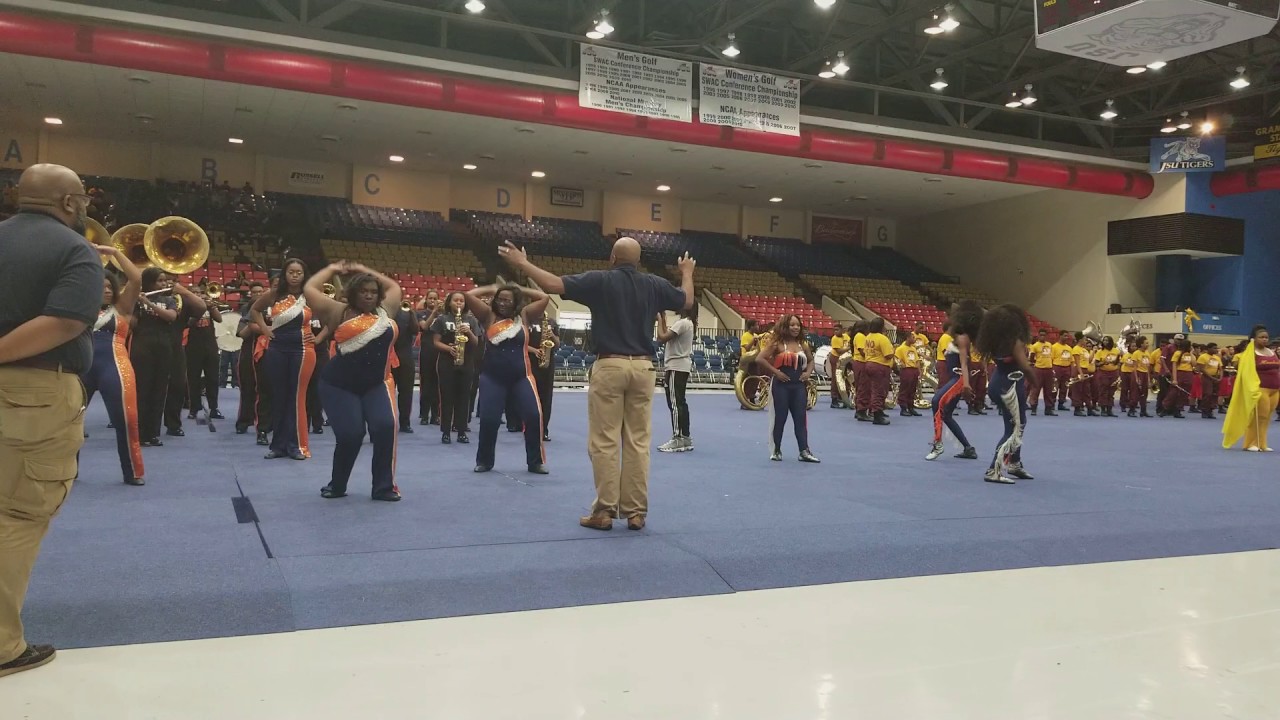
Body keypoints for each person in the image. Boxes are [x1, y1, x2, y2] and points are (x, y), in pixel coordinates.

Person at [499, 237, 693, 532]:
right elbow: (686, 300)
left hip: (610, 364)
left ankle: (604, 511)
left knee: (605, 441)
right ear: (638, 261)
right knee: (638, 442)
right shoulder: (653, 284)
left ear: (612, 258)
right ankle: (636, 512)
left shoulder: (600, 280)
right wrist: (687, 273)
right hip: (643, 367)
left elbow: (552, 285)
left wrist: (523, 263)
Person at [0, 163, 103, 678]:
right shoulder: (74, 249)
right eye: (82, 199)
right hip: (33, 394)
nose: (85, 207)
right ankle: (2, 646)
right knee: (18, 515)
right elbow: (64, 320)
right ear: (68, 203)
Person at [303, 262, 404, 501]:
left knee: (385, 427)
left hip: (376, 384)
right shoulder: (337, 311)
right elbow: (309, 288)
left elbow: (393, 286)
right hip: (339, 386)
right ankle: (337, 485)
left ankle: (383, 487)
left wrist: (362, 267)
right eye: (363, 291)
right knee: (351, 435)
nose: (369, 295)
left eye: (373, 292)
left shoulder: (386, 309)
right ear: (353, 293)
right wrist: (332, 269)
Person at [465, 283, 551, 474]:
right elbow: (469, 295)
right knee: (489, 419)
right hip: (492, 378)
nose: (502, 303)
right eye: (499, 299)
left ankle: (535, 461)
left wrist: (518, 289)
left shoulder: (525, 316)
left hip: (522, 377)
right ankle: (485, 461)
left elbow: (543, 297)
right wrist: (493, 288)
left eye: (507, 300)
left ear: (516, 303)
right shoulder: (489, 316)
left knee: (534, 416)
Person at [83, 252, 145, 486]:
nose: (107, 290)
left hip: (115, 368)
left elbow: (136, 279)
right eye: (102, 286)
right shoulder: (79, 306)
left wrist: (114, 253)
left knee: (126, 421)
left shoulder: (122, 308)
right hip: (82, 368)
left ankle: (133, 472)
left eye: (110, 286)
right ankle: (68, 470)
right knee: (69, 421)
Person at [250, 258, 315, 460]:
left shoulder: (310, 296)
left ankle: (295, 445)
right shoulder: (275, 294)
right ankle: (277, 445)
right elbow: (254, 310)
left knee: (295, 398)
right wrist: (264, 329)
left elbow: (332, 316)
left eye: (299, 272)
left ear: (304, 275)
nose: (295, 276)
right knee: (279, 396)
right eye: (291, 272)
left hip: (301, 350)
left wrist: (320, 336)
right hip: (277, 349)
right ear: (284, 274)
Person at [974, 304, 1035, 484]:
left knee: (1019, 423)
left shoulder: (996, 340)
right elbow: (1024, 365)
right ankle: (994, 468)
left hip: (1004, 382)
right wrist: (1034, 379)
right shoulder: (1014, 341)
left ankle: (1014, 462)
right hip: (1009, 385)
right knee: (1013, 428)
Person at [757, 314, 821, 462]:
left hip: (798, 386)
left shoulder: (802, 344)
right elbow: (759, 358)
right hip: (781, 387)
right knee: (780, 418)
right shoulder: (777, 344)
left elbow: (811, 361)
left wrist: (808, 372)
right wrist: (776, 372)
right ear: (785, 326)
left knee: (800, 419)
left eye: (798, 325)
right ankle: (776, 449)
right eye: (792, 325)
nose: (795, 328)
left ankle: (804, 451)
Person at [927, 301, 982, 462]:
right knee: (946, 415)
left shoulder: (962, 338)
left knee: (936, 402)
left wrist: (965, 384)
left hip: (958, 379)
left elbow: (964, 363)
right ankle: (968, 448)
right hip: (955, 378)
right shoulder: (955, 337)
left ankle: (938, 444)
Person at [430, 290, 479, 444]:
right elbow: (436, 342)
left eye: (462, 301)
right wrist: (448, 349)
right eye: (455, 300)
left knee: (464, 398)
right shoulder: (442, 319)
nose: (459, 303)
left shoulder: (471, 320)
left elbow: (476, 342)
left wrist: (469, 332)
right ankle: (445, 431)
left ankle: (462, 431)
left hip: (466, 362)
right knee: (446, 397)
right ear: (449, 302)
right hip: (446, 362)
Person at [1223, 326, 1278, 452]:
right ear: (1254, 339)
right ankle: (1250, 443)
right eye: (1261, 337)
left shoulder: (1271, 352)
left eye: (1266, 337)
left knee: (1267, 417)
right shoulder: (1250, 353)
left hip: (1274, 389)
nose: (1264, 340)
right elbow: (1245, 371)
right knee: (1259, 416)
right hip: (1260, 388)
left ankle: (1262, 443)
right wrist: (1251, 388)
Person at [234, 282, 272, 439]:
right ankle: (244, 421)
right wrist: (253, 324)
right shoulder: (247, 309)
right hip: (250, 351)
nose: (258, 294)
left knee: (266, 390)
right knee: (248, 388)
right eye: (255, 292)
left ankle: (266, 422)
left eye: (261, 291)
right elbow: (241, 334)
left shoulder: (272, 307)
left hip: (269, 351)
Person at [656, 304, 696, 452]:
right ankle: (685, 437)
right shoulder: (688, 323)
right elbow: (667, 335)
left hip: (675, 367)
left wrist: (659, 319)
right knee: (680, 402)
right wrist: (664, 319)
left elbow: (661, 337)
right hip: (681, 366)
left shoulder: (682, 323)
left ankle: (678, 438)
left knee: (675, 403)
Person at [184, 288, 224, 421]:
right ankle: (193, 408)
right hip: (193, 347)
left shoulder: (208, 306)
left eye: (200, 293)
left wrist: (212, 308)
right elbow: (188, 324)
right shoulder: (187, 307)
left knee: (212, 378)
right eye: (194, 293)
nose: (198, 295)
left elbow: (219, 319)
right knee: (193, 378)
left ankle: (214, 408)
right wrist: (199, 310)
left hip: (210, 346)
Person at [526, 313, 558, 442]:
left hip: (548, 363)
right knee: (532, 398)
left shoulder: (551, 321)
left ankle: (544, 430)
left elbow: (558, 344)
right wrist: (534, 350)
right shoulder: (527, 319)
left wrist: (552, 336)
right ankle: (530, 429)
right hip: (531, 362)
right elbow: (521, 343)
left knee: (546, 399)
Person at [392, 298, 419, 433]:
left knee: (406, 392)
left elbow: (415, 330)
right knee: (388, 393)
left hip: (406, 357)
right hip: (390, 357)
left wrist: (412, 313)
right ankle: (388, 422)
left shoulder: (407, 312)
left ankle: (405, 423)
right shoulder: (387, 312)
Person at [860, 318, 893, 425]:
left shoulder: (868, 337)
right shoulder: (882, 338)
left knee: (874, 389)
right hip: (880, 366)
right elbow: (888, 355)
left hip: (869, 364)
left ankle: (878, 411)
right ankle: (877, 415)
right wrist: (894, 351)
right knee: (879, 391)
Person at [416, 290, 442, 426]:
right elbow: (425, 326)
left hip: (439, 352)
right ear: (426, 300)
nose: (432, 300)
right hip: (426, 352)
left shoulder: (443, 316)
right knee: (426, 384)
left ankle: (436, 415)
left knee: (438, 385)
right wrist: (434, 312)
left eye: (435, 298)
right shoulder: (420, 313)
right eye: (430, 298)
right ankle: (424, 415)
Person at [1027, 328, 1056, 416]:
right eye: (1041, 335)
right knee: (1036, 389)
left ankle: (1048, 408)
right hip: (1039, 369)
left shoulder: (1049, 345)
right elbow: (1031, 357)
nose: (1042, 336)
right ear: (1038, 335)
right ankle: (1034, 408)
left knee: (1048, 390)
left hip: (1048, 369)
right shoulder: (1035, 346)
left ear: (1046, 336)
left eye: (1044, 335)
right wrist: (1035, 363)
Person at [1163, 338, 1194, 419]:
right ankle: (1165, 407)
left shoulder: (1189, 354)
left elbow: (1194, 364)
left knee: (1184, 393)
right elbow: (1174, 365)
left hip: (1189, 373)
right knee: (1174, 392)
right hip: (1179, 373)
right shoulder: (1178, 353)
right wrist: (1174, 379)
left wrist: (1191, 353)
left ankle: (1178, 409)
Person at [1093, 336, 1122, 417]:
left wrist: (1118, 358)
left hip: (1114, 373)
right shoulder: (1100, 352)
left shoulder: (1116, 351)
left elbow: (1117, 363)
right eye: (1104, 340)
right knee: (1103, 391)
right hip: (1103, 373)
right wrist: (1103, 363)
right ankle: (1103, 409)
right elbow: (1096, 364)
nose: (1105, 342)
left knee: (1111, 391)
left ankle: (1110, 410)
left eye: (1107, 340)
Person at [894, 335, 922, 417]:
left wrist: (919, 370)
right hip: (906, 369)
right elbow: (896, 358)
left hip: (914, 370)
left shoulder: (913, 349)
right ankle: (903, 408)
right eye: (912, 337)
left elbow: (917, 360)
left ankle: (911, 407)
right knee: (905, 388)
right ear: (907, 338)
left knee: (912, 389)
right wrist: (902, 365)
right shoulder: (900, 348)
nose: (914, 339)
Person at [1050, 329, 1074, 412]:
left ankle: (1061, 403)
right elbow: (1051, 359)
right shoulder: (1054, 347)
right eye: (1065, 336)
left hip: (1066, 368)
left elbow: (1071, 361)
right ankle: (1052, 404)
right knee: (1055, 387)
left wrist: (1071, 371)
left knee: (1064, 387)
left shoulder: (1069, 348)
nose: (1066, 337)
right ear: (1060, 336)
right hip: (1057, 367)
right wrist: (1052, 370)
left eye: (1067, 336)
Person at [1196, 343, 1222, 419]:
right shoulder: (1203, 357)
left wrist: (1220, 377)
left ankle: (1211, 410)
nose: (1216, 350)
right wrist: (1211, 377)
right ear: (1209, 348)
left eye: (1216, 348)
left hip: (1216, 377)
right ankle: (1204, 410)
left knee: (1215, 394)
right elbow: (1202, 369)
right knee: (1207, 394)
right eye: (1214, 348)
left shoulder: (1217, 358)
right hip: (1207, 377)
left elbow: (1220, 368)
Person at [828, 323, 850, 408]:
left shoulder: (846, 337)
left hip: (844, 359)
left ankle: (844, 398)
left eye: (837, 330)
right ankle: (834, 400)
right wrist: (849, 348)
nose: (835, 332)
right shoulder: (834, 338)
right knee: (835, 379)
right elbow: (839, 351)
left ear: (842, 330)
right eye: (834, 330)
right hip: (835, 358)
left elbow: (849, 342)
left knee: (844, 378)